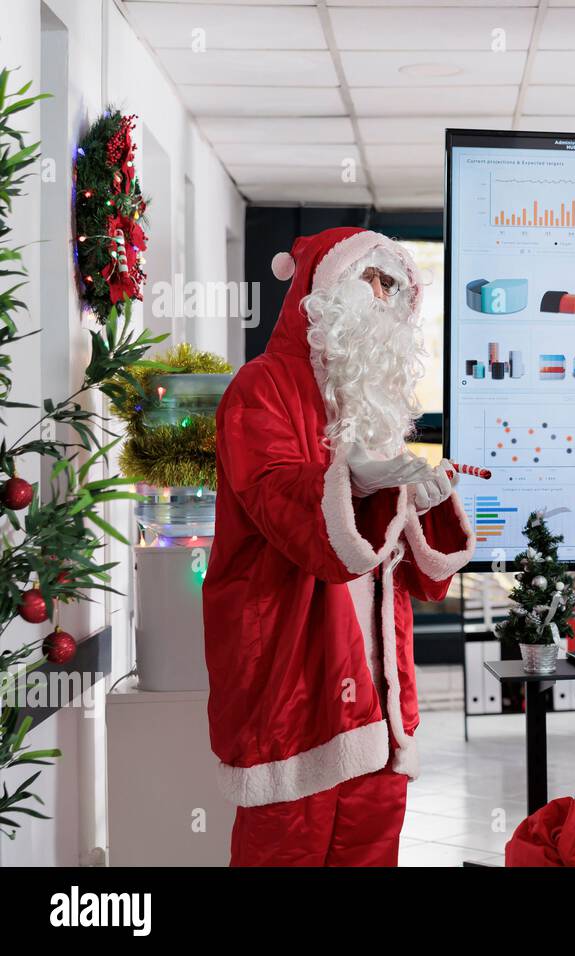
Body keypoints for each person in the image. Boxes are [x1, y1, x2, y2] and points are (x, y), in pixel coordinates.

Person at [203, 227, 474, 866]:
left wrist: (418, 506)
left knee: (371, 847)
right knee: (285, 848)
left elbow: (405, 566)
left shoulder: (377, 405)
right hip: (293, 678)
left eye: (394, 286)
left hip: (378, 681)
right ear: (323, 290)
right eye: (371, 280)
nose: (383, 297)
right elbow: (274, 498)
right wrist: (349, 479)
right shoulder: (261, 386)